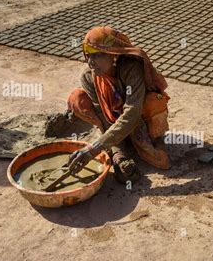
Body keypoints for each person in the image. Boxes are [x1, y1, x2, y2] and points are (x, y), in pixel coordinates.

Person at [65, 26, 171, 183]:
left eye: (97, 55)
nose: (90, 62)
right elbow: (103, 114)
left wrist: (94, 148)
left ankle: (156, 139)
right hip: (113, 123)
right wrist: (117, 154)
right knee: (77, 98)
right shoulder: (89, 76)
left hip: (139, 119)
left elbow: (132, 113)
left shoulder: (131, 69)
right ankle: (118, 149)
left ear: (113, 55)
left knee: (154, 102)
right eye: (88, 56)